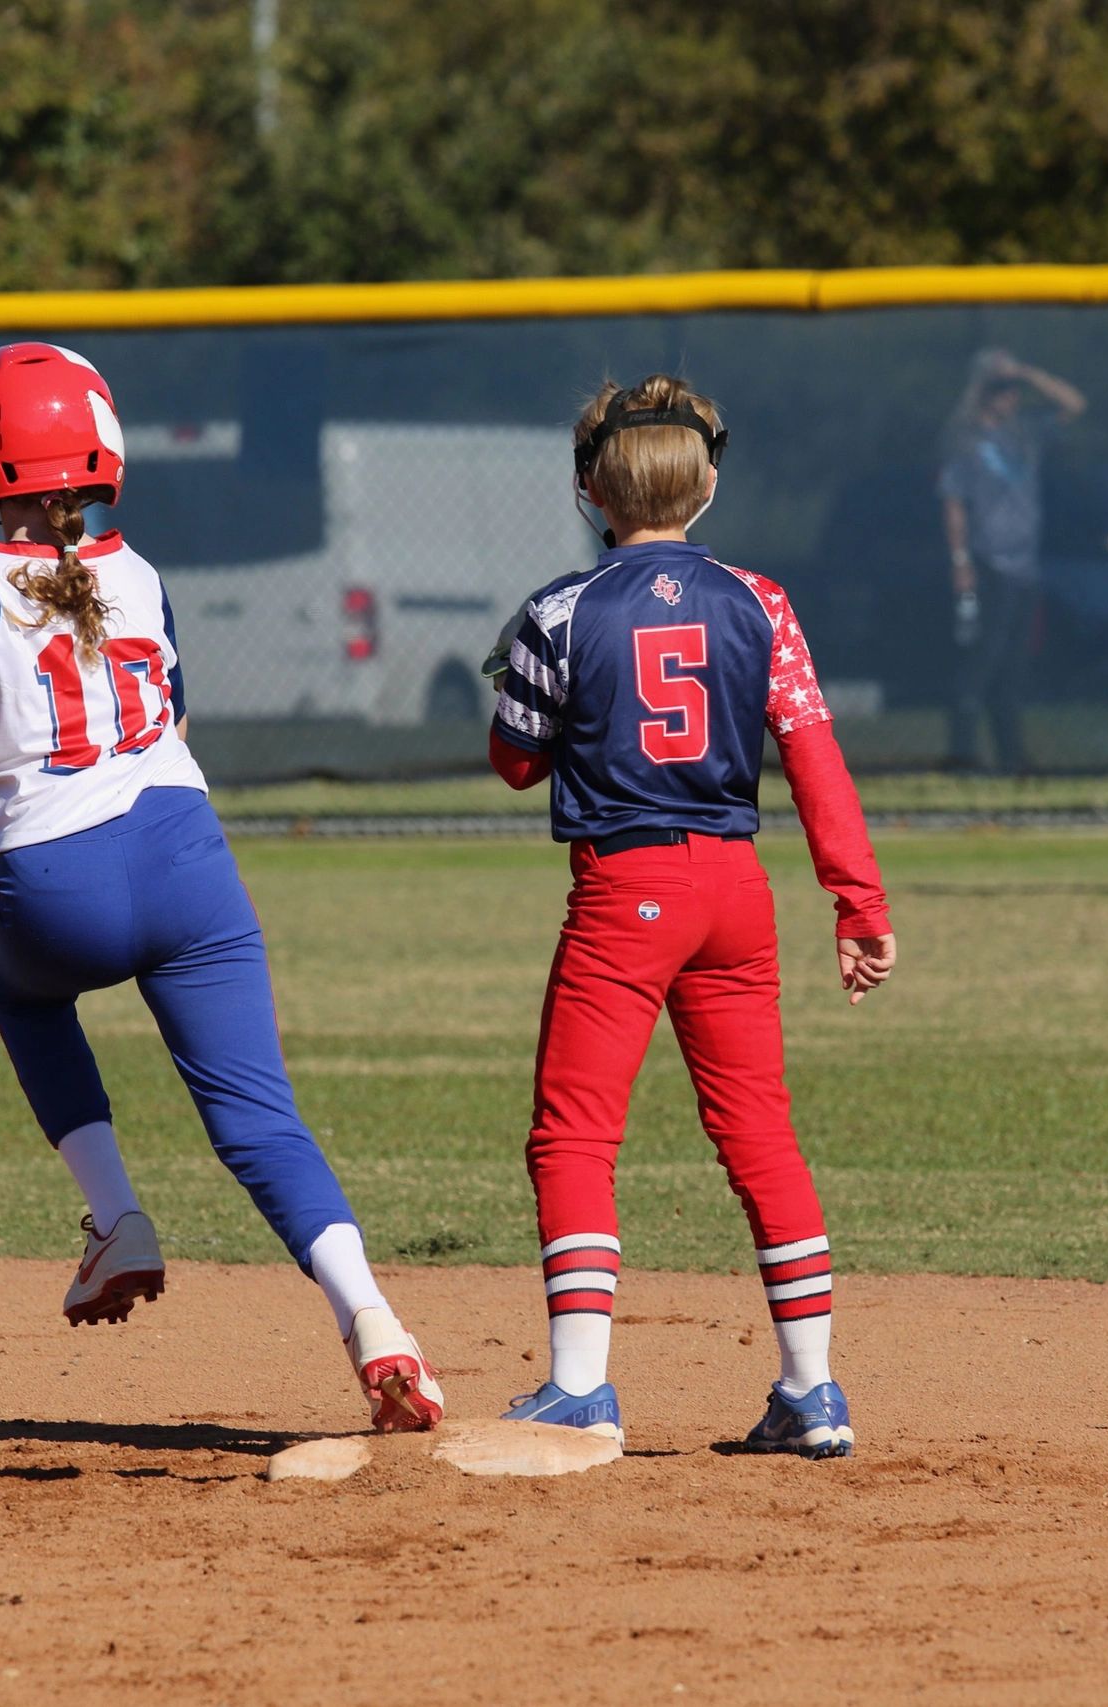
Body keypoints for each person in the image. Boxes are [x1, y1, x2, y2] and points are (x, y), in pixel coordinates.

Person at [0, 342, 443, 1433]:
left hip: (63, 878)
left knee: (24, 995)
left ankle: (116, 1218)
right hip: (192, 859)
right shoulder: (140, 573)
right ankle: (375, 1320)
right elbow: (175, 722)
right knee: (259, 1120)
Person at [488, 374, 897, 1459]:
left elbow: (514, 762)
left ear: (590, 489)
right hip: (737, 891)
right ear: (708, 483)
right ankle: (812, 1392)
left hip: (626, 889)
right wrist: (856, 902)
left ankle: (580, 1387)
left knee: (573, 1131)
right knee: (759, 1131)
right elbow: (813, 756)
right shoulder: (760, 601)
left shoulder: (559, 610)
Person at [939, 348, 1084, 773]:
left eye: (1012, 389)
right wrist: (961, 560)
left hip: (1025, 565)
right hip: (988, 564)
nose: (1009, 397)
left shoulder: (1026, 432)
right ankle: (963, 753)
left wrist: (1028, 372)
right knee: (983, 660)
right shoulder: (965, 440)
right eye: (999, 388)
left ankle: (1011, 754)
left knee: (1015, 663)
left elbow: (1075, 406)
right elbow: (953, 503)